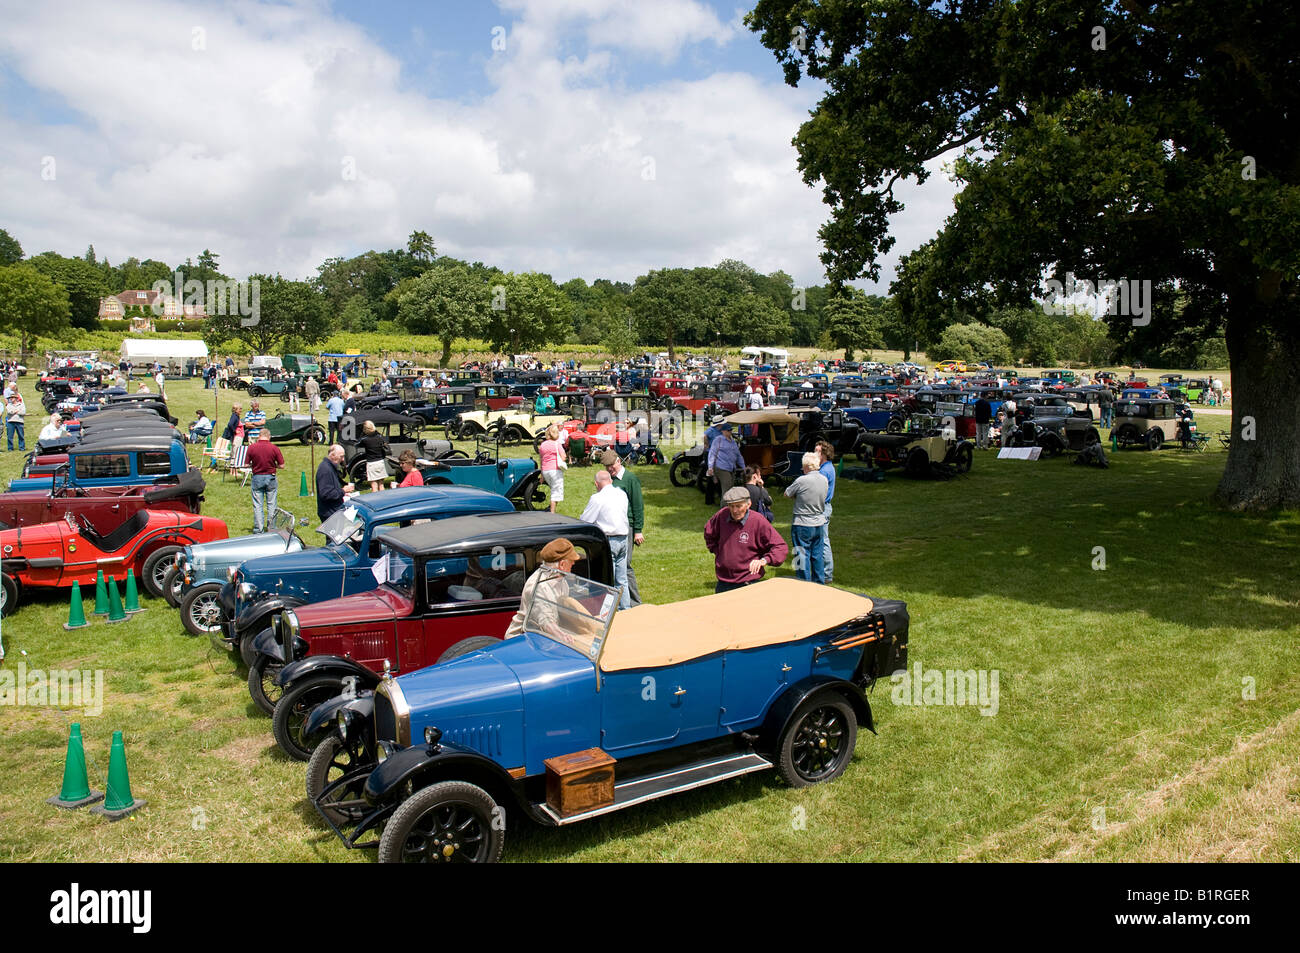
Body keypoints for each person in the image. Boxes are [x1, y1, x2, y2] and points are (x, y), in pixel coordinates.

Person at [704, 486, 788, 593]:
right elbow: (709, 532)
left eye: (739, 506)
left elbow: (780, 547)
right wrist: (719, 552)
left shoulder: (758, 520)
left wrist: (764, 560)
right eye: (731, 506)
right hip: (723, 581)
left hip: (748, 582)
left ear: (749, 504)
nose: (734, 510)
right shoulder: (722, 515)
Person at [504, 537, 580, 639]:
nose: (574, 563)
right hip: (521, 639)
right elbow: (545, 621)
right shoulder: (538, 586)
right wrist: (563, 637)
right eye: (571, 560)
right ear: (562, 565)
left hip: (541, 637)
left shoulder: (561, 579)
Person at [581, 470, 631, 608]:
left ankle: (609, 613)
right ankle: (626, 609)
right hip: (623, 538)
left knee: (607, 581)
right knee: (622, 580)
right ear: (610, 480)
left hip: (609, 540)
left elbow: (585, 520)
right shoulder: (622, 494)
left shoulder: (598, 498)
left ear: (596, 484)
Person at [602, 449, 644, 605]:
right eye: (607, 467)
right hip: (614, 527)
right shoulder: (609, 480)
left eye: (611, 466)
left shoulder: (630, 479)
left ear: (618, 461)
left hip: (627, 526)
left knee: (624, 565)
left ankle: (634, 602)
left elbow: (638, 505)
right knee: (620, 566)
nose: (609, 470)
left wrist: (638, 531)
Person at [784, 452, 829, 584]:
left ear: (806, 466)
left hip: (802, 523)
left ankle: (802, 583)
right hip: (819, 522)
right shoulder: (824, 479)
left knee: (801, 555)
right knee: (817, 556)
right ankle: (819, 583)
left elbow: (787, 493)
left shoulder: (801, 480)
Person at [246, 430, 285, 533]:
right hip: (270, 477)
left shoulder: (252, 447)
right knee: (271, 504)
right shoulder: (274, 448)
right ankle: (271, 528)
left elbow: (246, 464)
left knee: (258, 505)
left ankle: (258, 529)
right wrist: (273, 465)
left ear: (259, 436)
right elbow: (282, 465)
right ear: (269, 437)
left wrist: (253, 465)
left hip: (257, 477)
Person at [815, 439, 837, 583]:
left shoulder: (825, 471)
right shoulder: (826, 468)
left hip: (822, 508)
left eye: (816, 451)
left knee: (823, 541)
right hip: (823, 507)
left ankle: (827, 574)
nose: (813, 453)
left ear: (824, 454)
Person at [315, 444, 355, 522]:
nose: (343, 459)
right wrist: (343, 491)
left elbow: (332, 488)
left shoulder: (330, 467)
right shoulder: (325, 470)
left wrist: (342, 493)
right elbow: (326, 494)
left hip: (333, 511)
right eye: (341, 456)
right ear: (333, 455)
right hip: (329, 513)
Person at [707, 422, 745, 499]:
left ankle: (728, 507)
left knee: (730, 488)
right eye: (728, 430)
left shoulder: (733, 441)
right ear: (723, 431)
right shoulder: (718, 440)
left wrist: (744, 467)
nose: (730, 431)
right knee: (727, 490)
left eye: (731, 430)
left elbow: (738, 455)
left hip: (731, 468)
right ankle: (724, 508)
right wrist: (710, 467)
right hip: (721, 468)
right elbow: (712, 454)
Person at [538, 423, 567, 514]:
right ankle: (552, 513)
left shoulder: (543, 445)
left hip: (546, 470)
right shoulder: (557, 444)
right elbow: (563, 457)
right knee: (556, 492)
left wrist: (542, 475)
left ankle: (551, 510)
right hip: (555, 470)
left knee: (554, 490)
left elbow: (541, 459)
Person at [358, 419, 390, 492]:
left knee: (374, 486)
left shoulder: (365, 439)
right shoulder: (379, 437)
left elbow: (357, 444)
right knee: (381, 485)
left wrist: (362, 434)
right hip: (380, 462)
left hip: (371, 463)